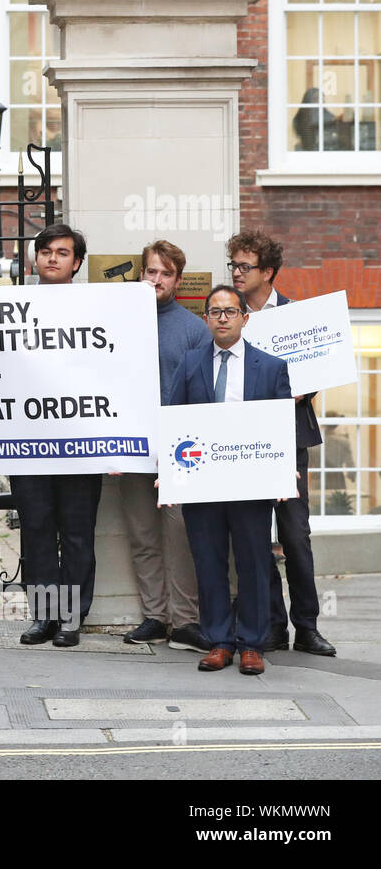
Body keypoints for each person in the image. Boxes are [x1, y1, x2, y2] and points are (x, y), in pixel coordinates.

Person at [166, 284, 293, 676]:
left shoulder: (271, 367)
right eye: (215, 312)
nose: (222, 317)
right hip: (203, 484)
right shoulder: (189, 364)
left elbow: (280, 427)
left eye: (230, 311)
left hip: (251, 483)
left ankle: (251, 644)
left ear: (244, 318)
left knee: (254, 562)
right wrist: (169, 475)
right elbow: (173, 418)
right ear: (205, 319)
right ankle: (219, 641)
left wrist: (284, 471)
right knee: (209, 562)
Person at [227, 230, 335, 657]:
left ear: (267, 272)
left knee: (295, 534)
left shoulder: (297, 316)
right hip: (242, 440)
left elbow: (319, 370)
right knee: (254, 536)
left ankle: (306, 626)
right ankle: (271, 625)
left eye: (244, 266)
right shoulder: (229, 316)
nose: (236, 273)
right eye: (233, 265)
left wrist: (306, 387)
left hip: (288, 437)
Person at [118, 240, 212, 652]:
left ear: (177, 280)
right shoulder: (116, 321)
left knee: (181, 535)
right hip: (131, 447)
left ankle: (185, 621)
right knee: (142, 534)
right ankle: (155, 616)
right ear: (141, 273)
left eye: (165, 273)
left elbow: (203, 393)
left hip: (179, 450)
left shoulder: (193, 329)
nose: (157, 279)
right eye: (150, 271)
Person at [13, 224, 100, 648]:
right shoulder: (11, 305)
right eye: (45, 251)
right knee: (37, 529)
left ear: (77, 263)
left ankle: (72, 617)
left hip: (81, 442)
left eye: (62, 252)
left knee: (78, 531)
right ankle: (43, 615)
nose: (52, 258)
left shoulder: (96, 308)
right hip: (28, 442)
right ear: (35, 258)